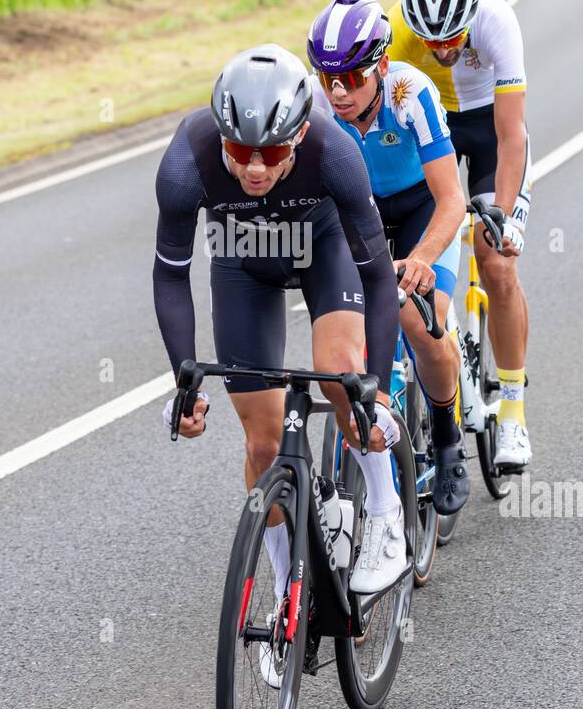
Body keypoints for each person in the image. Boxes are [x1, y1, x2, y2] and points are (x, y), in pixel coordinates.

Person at [153, 43, 406, 604]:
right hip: (242, 258)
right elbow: (171, 276)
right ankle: (286, 594)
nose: (255, 168)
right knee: (264, 447)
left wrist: (380, 392)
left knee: (340, 375)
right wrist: (184, 381)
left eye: (272, 152)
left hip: (323, 245)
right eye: (240, 150)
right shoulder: (185, 162)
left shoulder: (333, 151)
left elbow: (380, 278)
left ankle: (387, 515)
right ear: (220, 134)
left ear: (299, 134)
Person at [306, 0, 470, 518]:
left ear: (381, 65)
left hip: (421, 205)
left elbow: (452, 199)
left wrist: (422, 257)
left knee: (424, 326)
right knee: (349, 340)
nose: (338, 92)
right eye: (327, 77)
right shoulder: (314, 106)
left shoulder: (410, 92)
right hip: (364, 215)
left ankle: (446, 440)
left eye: (352, 78)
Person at [386, 0, 532, 469]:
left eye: (452, 38)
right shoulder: (401, 33)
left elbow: (512, 134)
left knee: (496, 260)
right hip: (435, 128)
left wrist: (506, 216)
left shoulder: (495, 20)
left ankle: (512, 413)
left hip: (490, 130)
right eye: (433, 42)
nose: (444, 49)